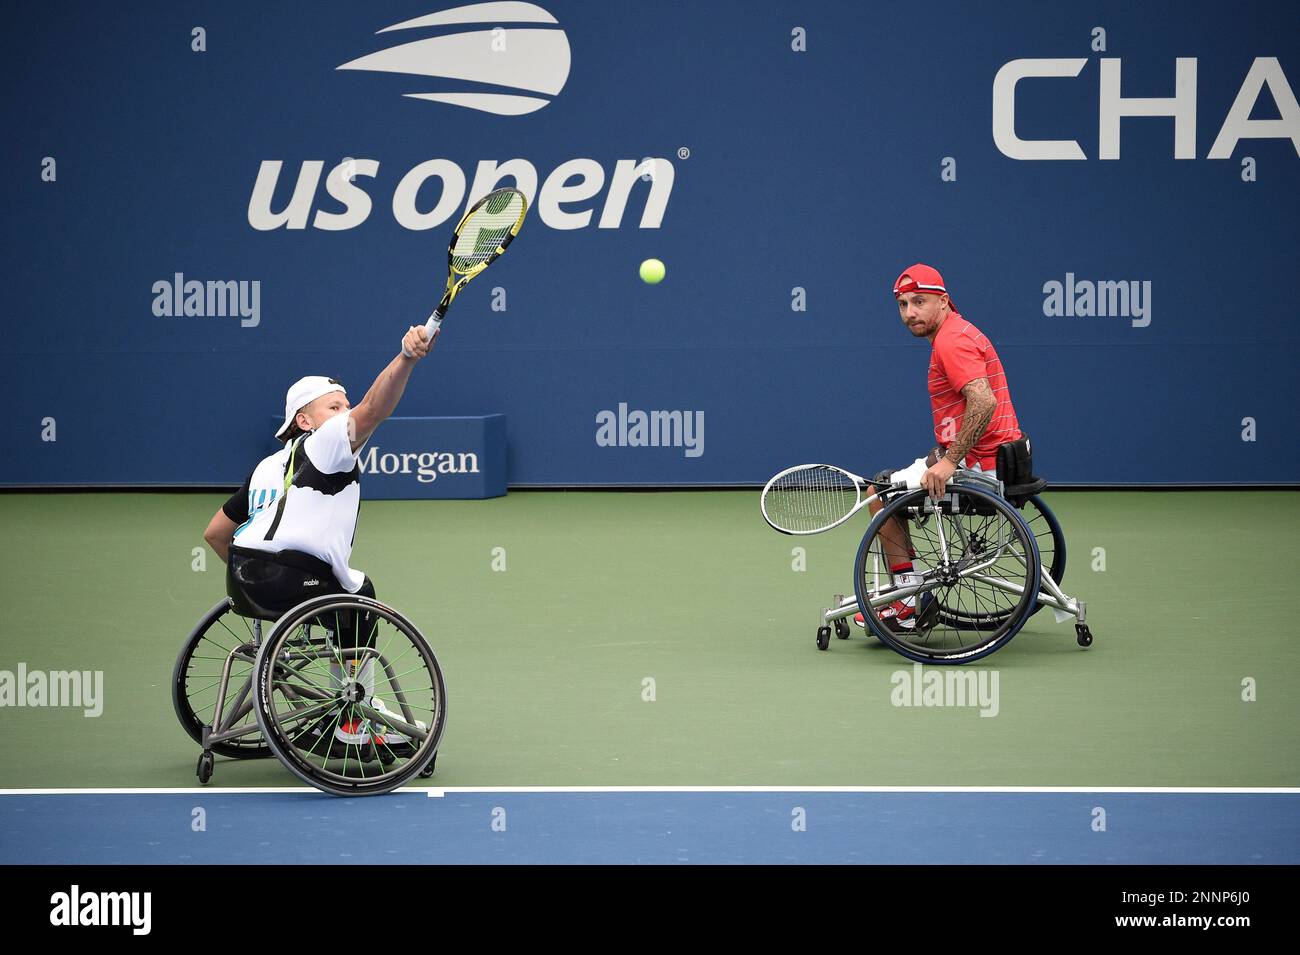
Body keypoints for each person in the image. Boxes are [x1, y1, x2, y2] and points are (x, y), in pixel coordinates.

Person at [201, 324, 435, 754]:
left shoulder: (267, 468)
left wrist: (258, 578)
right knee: (361, 594)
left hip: (241, 578)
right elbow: (374, 409)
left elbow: (216, 533)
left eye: (344, 405)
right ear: (303, 421)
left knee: (335, 592)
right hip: (292, 577)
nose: (344, 412)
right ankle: (352, 717)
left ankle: (339, 700)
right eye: (333, 406)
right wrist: (406, 359)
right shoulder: (327, 442)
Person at [854, 264, 1023, 632]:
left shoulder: (951, 341)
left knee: (880, 494)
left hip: (981, 469)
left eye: (919, 302)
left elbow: (983, 402)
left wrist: (948, 461)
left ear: (943, 302)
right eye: (902, 305)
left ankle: (907, 601)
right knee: (896, 479)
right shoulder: (959, 331)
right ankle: (907, 594)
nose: (910, 312)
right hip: (1000, 459)